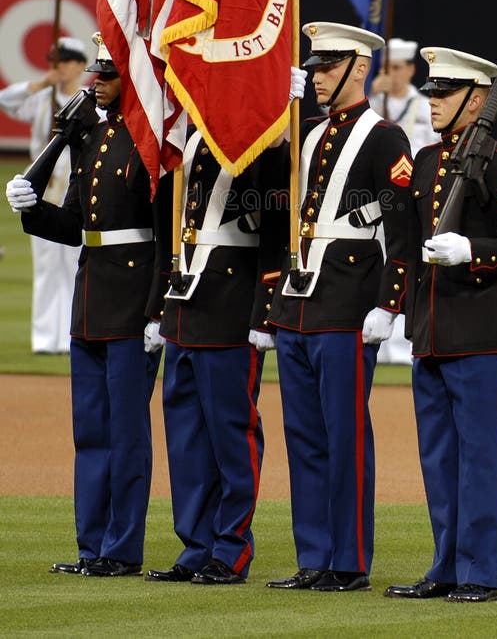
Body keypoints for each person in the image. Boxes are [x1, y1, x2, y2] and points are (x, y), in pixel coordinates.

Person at [5, 32, 171, 578]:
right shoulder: (90, 138)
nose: (95, 82)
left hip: (132, 297)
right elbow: (79, 226)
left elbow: (164, 234)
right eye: (95, 72)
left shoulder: (151, 140)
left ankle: (122, 549)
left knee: (127, 431)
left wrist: (155, 312)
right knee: (91, 429)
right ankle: (92, 545)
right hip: (92, 291)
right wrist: (32, 210)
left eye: (107, 74)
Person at [385, 46, 497, 603]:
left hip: (480, 333)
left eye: (445, 94)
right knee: (439, 458)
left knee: (478, 458)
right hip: (432, 332)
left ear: (477, 100)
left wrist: (470, 249)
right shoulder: (426, 162)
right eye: (431, 93)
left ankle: (479, 573)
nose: (433, 103)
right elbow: (403, 244)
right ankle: (445, 566)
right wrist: (393, 307)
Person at [265, 22, 412, 593]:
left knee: (344, 436)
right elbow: (287, 221)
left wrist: (388, 304)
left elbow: (401, 230)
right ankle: (313, 556)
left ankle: (347, 562)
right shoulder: (309, 134)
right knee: (303, 437)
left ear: (358, 68)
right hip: (300, 305)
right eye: (316, 67)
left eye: (327, 67)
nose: (318, 76)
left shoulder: (384, 139)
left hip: (349, 306)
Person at [145, 69, 305, 587]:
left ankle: (231, 548)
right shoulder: (192, 141)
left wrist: (278, 124)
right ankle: (196, 546)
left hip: (231, 308)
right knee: (187, 437)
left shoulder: (256, 145)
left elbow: (275, 223)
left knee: (232, 435)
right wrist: (158, 310)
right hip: (187, 304)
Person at [0, 37, 88, 354]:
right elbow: (6, 101)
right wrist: (39, 85)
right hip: (42, 188)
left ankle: (68, 334)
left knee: (72, 261)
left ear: (80, 64)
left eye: (65, 61)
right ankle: (43, 337)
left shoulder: (85, 100)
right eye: (55, 62)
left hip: (73, 187)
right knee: (46, 264)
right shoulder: (42, 99)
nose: (59, 67)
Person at [369, 37, 438, 365]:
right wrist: (373, 97)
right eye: (387, 68)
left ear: (410, 69)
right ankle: (377, 340)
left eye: (397, 68)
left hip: (412, 200)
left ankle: (400, 345)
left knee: (406, 265)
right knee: (378, 264)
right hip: (375, 200)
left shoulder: (426, 106)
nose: (393, 74)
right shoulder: (373, 104)